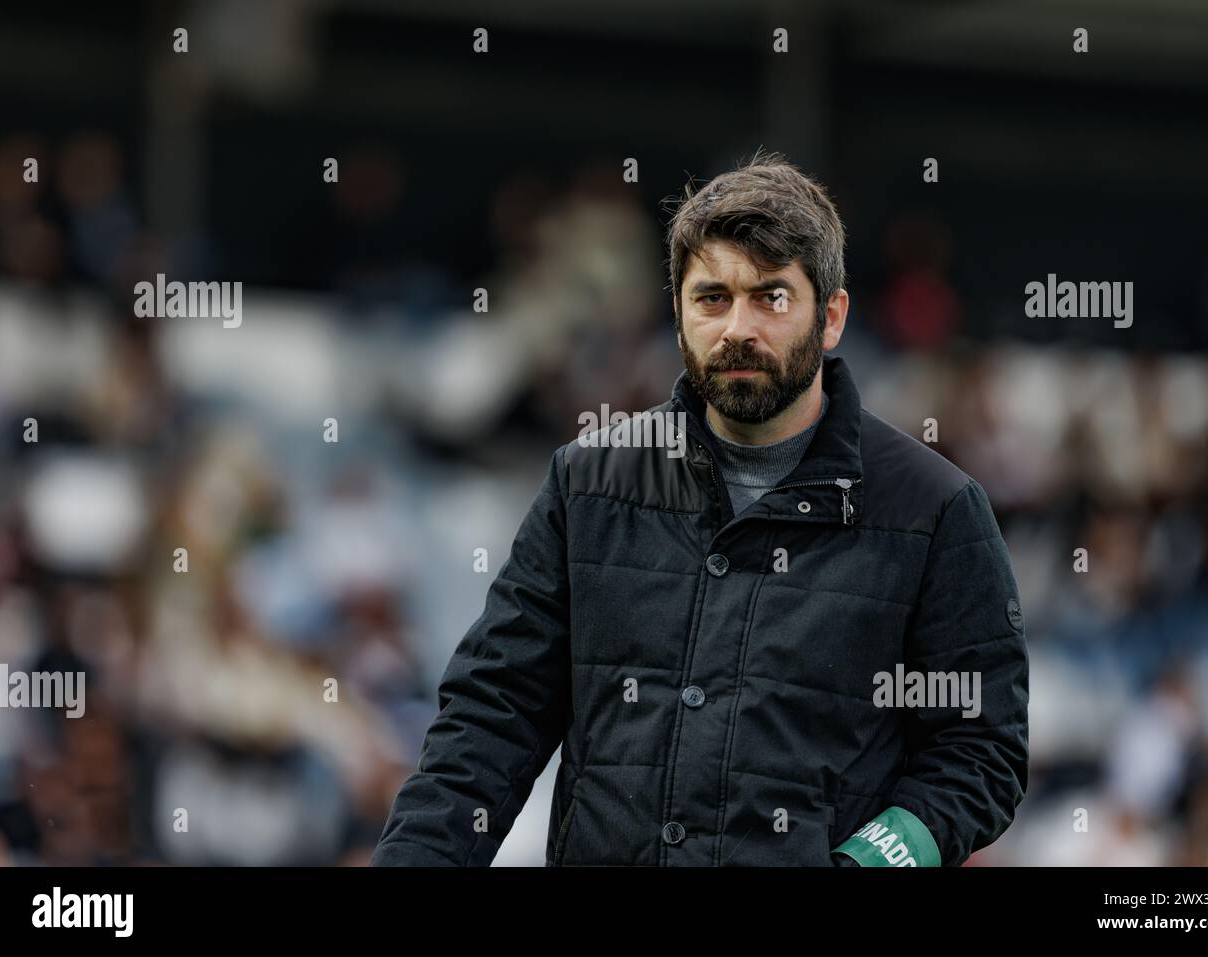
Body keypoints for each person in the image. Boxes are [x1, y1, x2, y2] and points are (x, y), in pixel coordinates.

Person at [372, 150, 1029, 867]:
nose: (737, 327)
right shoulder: (588, 484)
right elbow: (490, 720)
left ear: (831, 316)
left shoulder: (934, 510)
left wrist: (867, 863)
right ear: (679, 314)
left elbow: (979, 751)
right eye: (712, 297)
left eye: (771, 297)